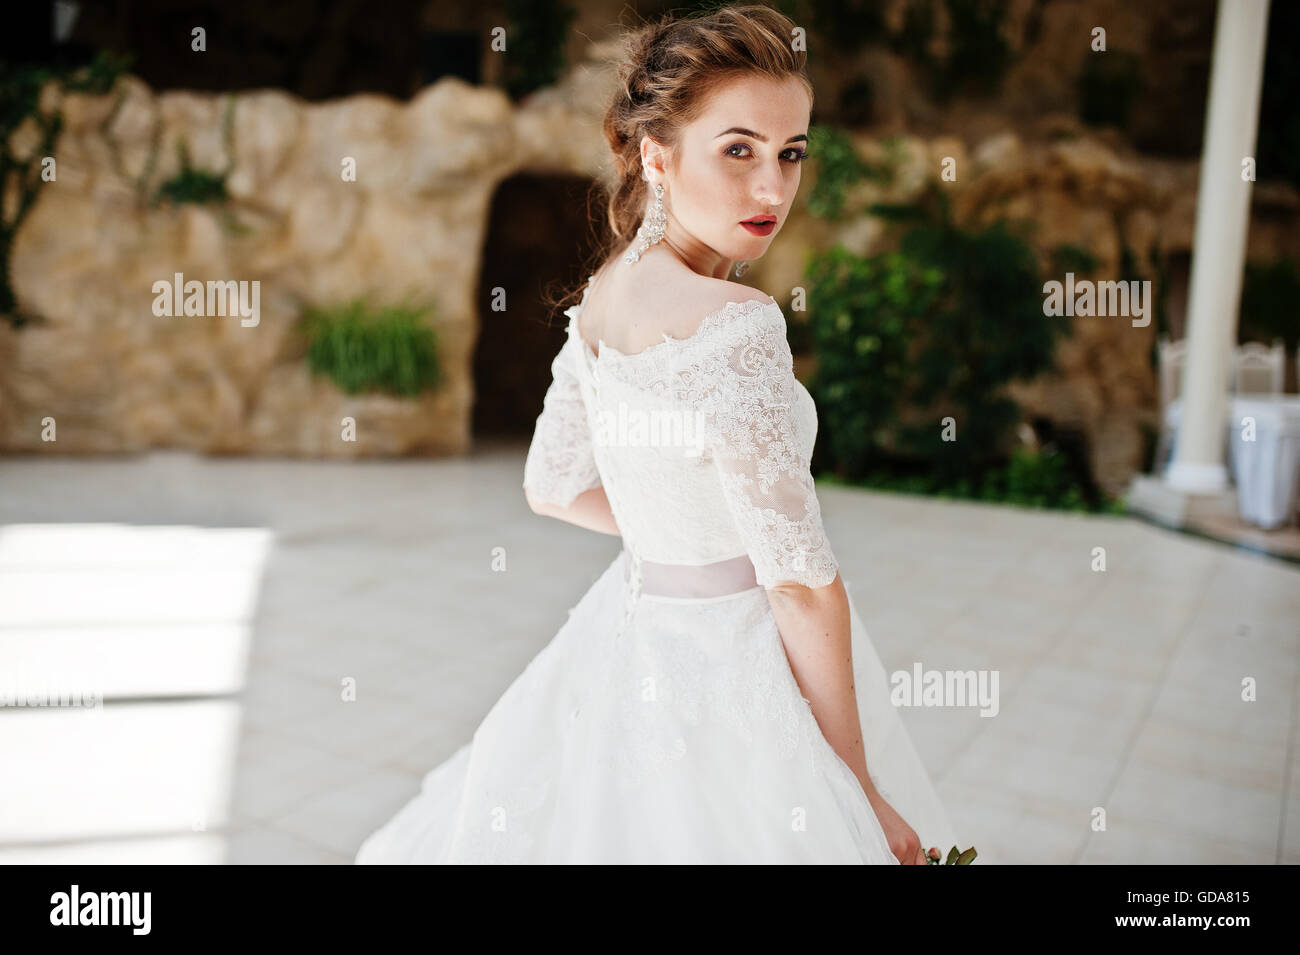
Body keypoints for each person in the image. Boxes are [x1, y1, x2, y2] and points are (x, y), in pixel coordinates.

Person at [355, 4, 960, 864]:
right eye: (739, 149)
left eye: (791, 153)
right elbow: (797, 584)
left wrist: (680, 532)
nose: (773, 189)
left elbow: (552, 484)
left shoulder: (606, 293)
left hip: (626, 637)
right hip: (738, 663)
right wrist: (856, 790)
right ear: (657, 154)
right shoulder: (739, 322)